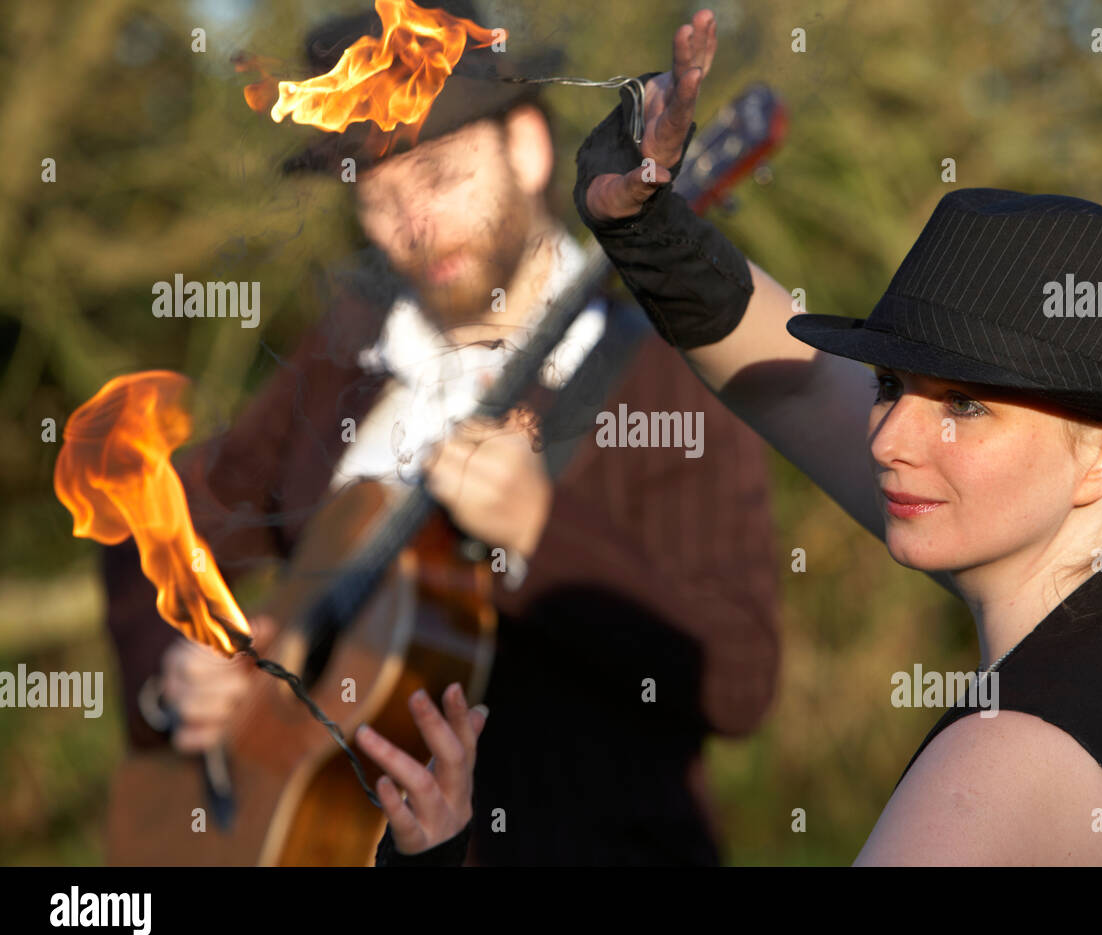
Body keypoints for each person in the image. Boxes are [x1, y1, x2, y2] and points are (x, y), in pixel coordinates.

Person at [567, 8, 1102, 864]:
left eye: (964, 405)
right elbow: (800, 387)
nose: (886, 440)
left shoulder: (992, 781)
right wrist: (646, 233)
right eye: (890, 384)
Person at [102, 2, 780, 867]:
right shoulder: (345, 355)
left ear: (527, 148)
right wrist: (181, 661)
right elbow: (151, 517)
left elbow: (740, 679)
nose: (410, 228)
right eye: (377, 199)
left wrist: (543, 532)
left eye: (439, 177)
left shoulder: (661, 386)